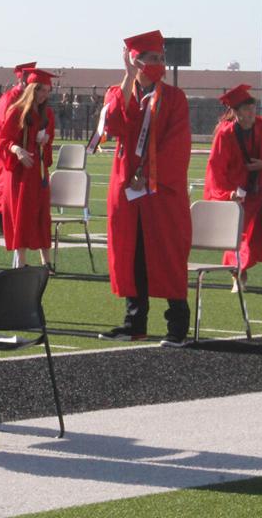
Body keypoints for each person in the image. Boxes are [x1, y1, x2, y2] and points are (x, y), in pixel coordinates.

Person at [99, 31, 192, 347]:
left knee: (167, 253)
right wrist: (127, 77)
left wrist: (150, 175)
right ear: (135, 61)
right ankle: (134, 322)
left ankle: (177, 327)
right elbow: (112, 125)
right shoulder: (117, 92)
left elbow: (177, 145)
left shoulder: (175, 98)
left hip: (161, 189)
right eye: (153, 58)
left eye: (161, 58)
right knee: (131, 251)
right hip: (127, 186)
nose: (160, 64)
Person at [204, 84, 262, 294]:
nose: (251, 112)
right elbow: (217, 169)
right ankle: (238, 275)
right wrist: (228, 194)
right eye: (245, 109)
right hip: (240, 190)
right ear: (235, 112)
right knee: (237, 233)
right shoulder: (225, 135)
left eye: (252, 106)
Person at [0, 68, 56, 270]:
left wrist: (45, 142)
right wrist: (18, 150)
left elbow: (48, 148)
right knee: (21, 214)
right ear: (32, 89)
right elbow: (4, 140)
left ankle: (46, 261)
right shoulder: (16, 111)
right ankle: (21, 262)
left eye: (48, 91)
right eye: (41, 91)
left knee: (42, 214)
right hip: (21, 172)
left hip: (38, 172)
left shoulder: (47, 113)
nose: (44, 95)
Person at [0, 61, 36, 233]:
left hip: (26, 146)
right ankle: (0, 214)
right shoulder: (10, 97)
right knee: (5, 182)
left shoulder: (30, 97)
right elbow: (4, 125)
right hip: (12, 148)